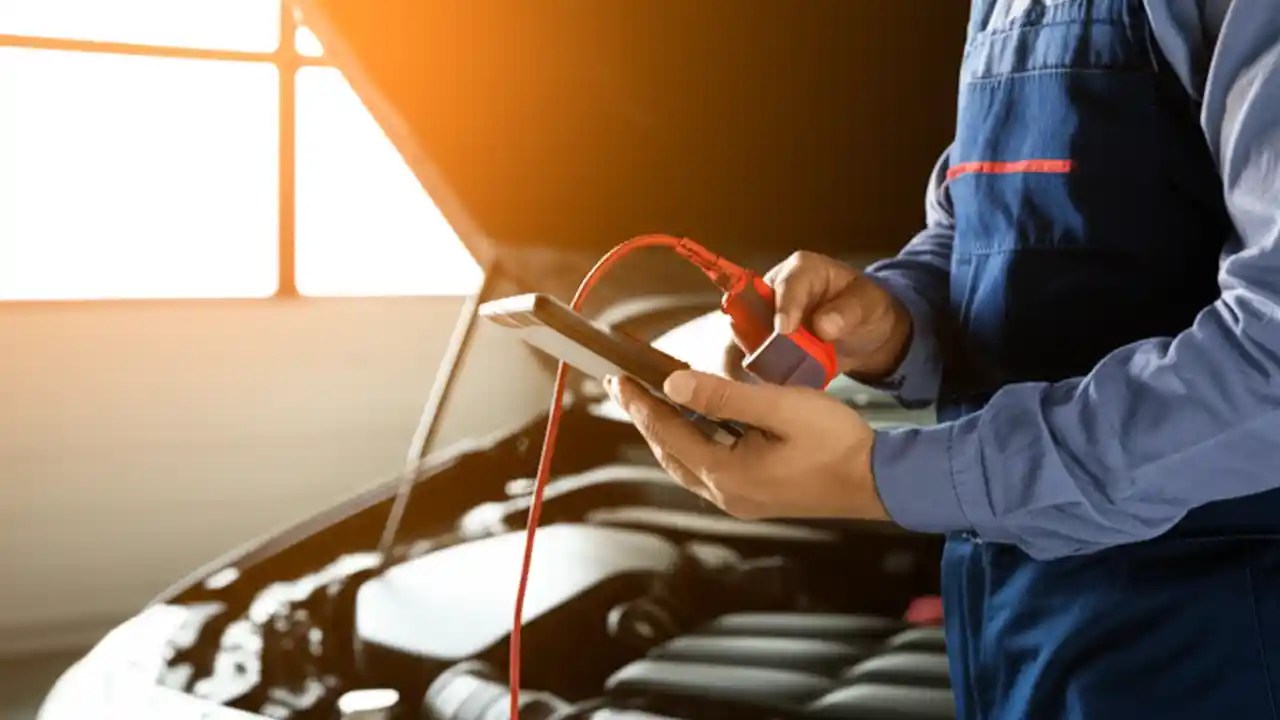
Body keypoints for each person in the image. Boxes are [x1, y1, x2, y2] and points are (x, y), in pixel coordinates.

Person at [603, 0, 1280, 717]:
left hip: (1218, 631)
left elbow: (1269, 364)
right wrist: (893, 320)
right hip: (1014, 608)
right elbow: (981, 226)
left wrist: (876, 479)